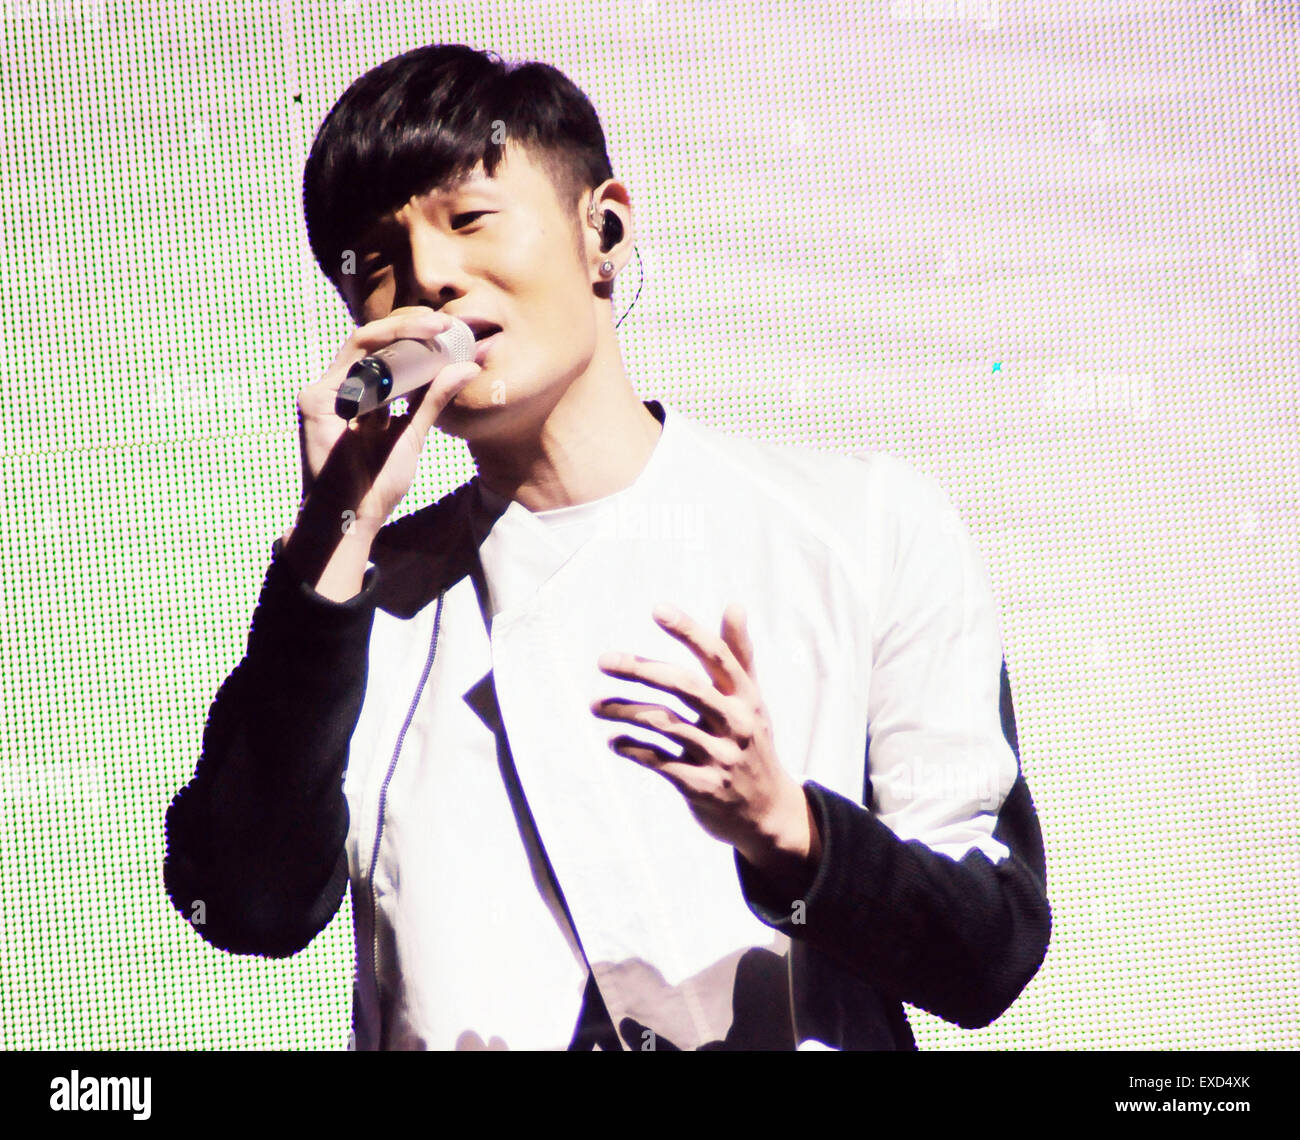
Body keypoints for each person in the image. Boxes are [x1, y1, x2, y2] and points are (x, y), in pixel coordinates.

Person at [163, 42, 1051, 1051]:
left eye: (468, 217)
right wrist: (336, 535)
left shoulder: (866, 526)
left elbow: (989, 955)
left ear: (604, 228)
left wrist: (792, 841)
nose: (430, 277)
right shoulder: (364, 602)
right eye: (375, 259)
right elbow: (245, 908)